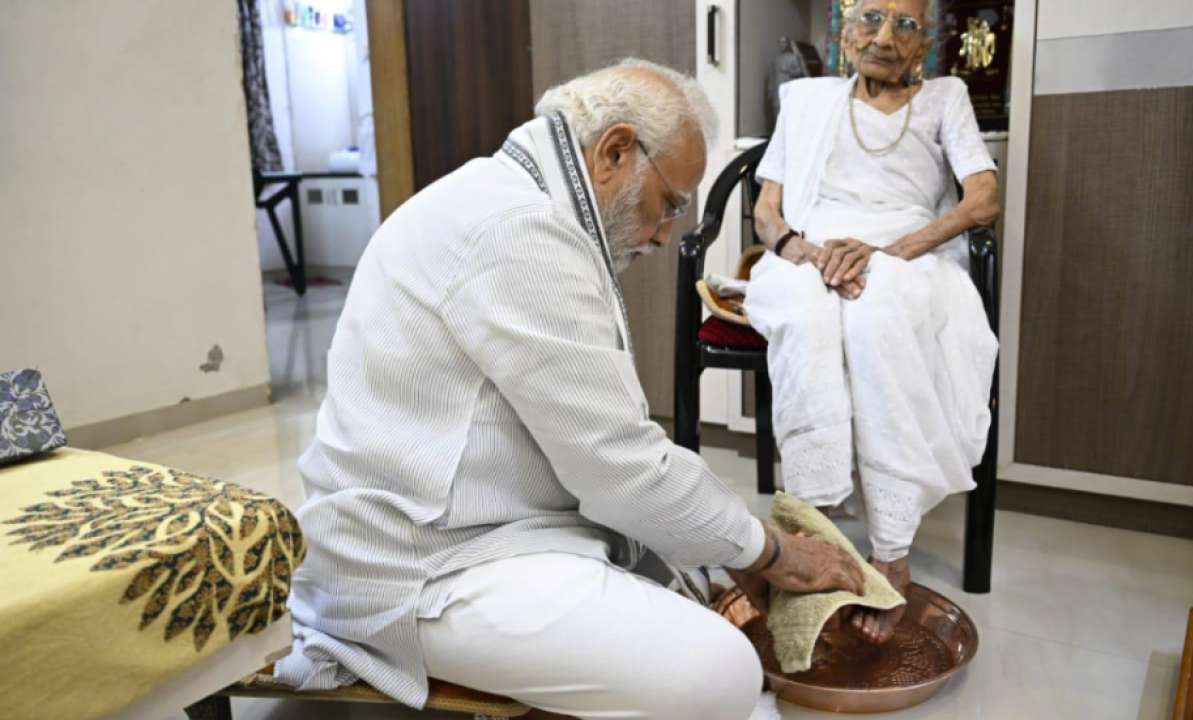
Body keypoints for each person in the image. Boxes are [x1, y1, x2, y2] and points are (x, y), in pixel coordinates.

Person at [274, 58, 866, 720]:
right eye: (668, 203)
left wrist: (724, 543)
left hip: (482, 528)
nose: (666, 233)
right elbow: (620, 468)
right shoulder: (518, 229)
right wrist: (776, 552)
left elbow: (607, 445)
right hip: (425, 568)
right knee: (722, 674)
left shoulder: (511, 201)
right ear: (614, 150)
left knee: (695, 577)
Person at [747, 0, 1001, 643]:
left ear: (926, 44)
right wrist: (799, 251)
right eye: (869, 18)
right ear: (843, 32)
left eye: (906, 25)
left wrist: (891, 253)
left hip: (904, 253)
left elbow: (984, 199)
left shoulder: (946, 97)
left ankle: (890, 547)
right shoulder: (806, 101)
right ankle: (813, 529)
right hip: (814, 248)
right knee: (808, 314)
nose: (884, 37)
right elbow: (768, 212)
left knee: (873, 316)